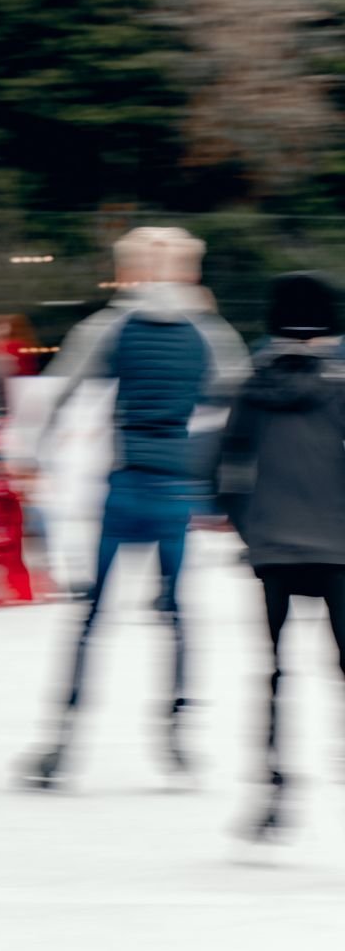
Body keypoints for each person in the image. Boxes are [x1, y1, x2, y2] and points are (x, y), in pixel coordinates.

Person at [20, 227, 248, 788]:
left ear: (127, 272)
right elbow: (240, 411)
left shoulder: (108, 327)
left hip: (123, 488)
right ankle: (176, 741)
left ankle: (61, 742)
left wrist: (29, 457)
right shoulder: (211, 333)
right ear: (193, 272)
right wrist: (229, 489)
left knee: (93, 616)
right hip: (179, 492)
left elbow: (54, 393)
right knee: (177, 616)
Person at [214, 272, 345, 840]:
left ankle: (272, 789)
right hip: (339, 548)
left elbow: (225, 470)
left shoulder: (251, 384)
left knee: (273, 671)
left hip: (272, 549)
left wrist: (252, 533)